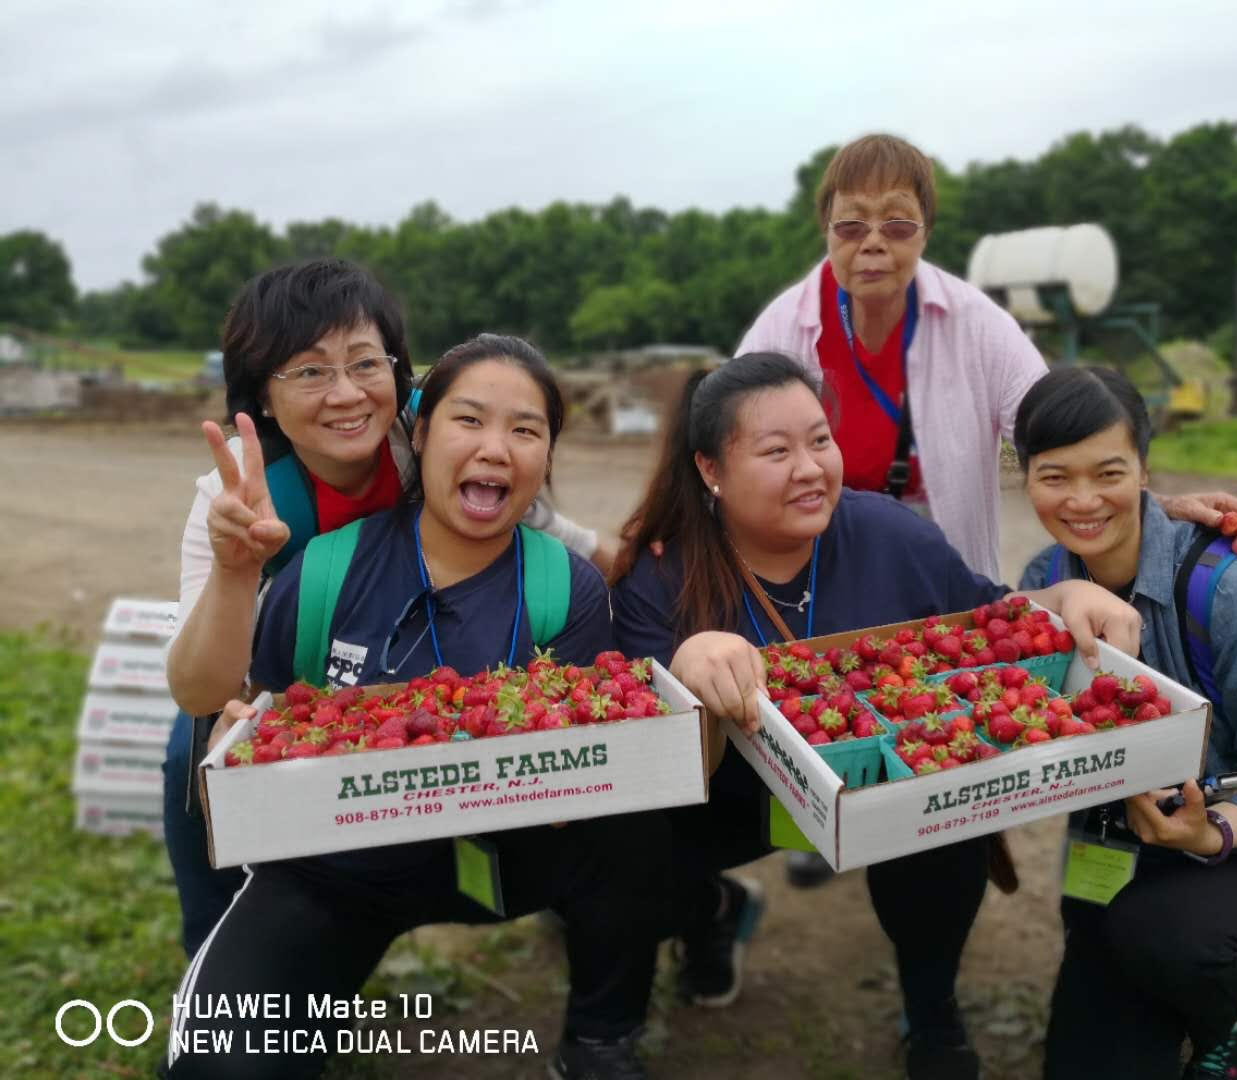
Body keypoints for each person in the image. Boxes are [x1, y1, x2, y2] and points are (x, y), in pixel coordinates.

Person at [737, 131, 1237, 887]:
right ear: (825, 229)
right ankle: (828, 816)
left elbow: (1054, 432)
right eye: (852, 225)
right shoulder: (786, 329)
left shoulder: (972, 321)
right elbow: (730, 433)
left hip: (937, 557)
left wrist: (1151, 498)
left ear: (927, 231)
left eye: (898, 224)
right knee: (835, 699)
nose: (873, 244)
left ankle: (946, 843)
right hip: (824, 551)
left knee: (937, 727)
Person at [609, 353, 1142, 1080]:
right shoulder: (662, 574)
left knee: (952, 809)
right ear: (710, 470)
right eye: (776, 451)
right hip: (731, 799)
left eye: (819, 440)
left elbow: (989, 616)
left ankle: (932, 1013)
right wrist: (692, 657)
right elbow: (648, 761)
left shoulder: (891, 534)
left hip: (881, 779)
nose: (809, 468)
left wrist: (1064, 603)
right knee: (628, 861)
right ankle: (697, 927)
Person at [164, 335, 661, 1080]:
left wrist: (585, 781)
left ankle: (599, 1038)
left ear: (547, 454)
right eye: (469, 420)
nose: (496, 448)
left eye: (525, 430)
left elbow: (590, 751)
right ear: (419, 433)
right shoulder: (322, 574)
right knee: (218, 1069)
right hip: (336, 865)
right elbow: (250, 714)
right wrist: (241, 736)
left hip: (502, 853)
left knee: (641, 832)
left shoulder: (567, 589)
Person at [161, 258, 613, 957]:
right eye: (309, 372)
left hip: (410, 657)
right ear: (261, 396)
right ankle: (222, 948)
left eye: (365, 363)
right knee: (192, 751)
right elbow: (200, 686)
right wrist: (234, 566)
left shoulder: (430, 434)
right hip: (300, 652)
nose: (346, 394)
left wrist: (644, 551)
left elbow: (550, 527)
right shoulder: (237, 496)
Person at [1013, 367, 1237, 1080]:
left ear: (1145, 468)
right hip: (1116, 843)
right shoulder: (1044, 579)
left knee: (1163, 937)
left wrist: (1205, 832)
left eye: (1109, 473)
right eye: (1054, 476)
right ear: (1025, 476)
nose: (1082, 501)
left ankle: (1229, 1016)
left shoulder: (1236, 593)